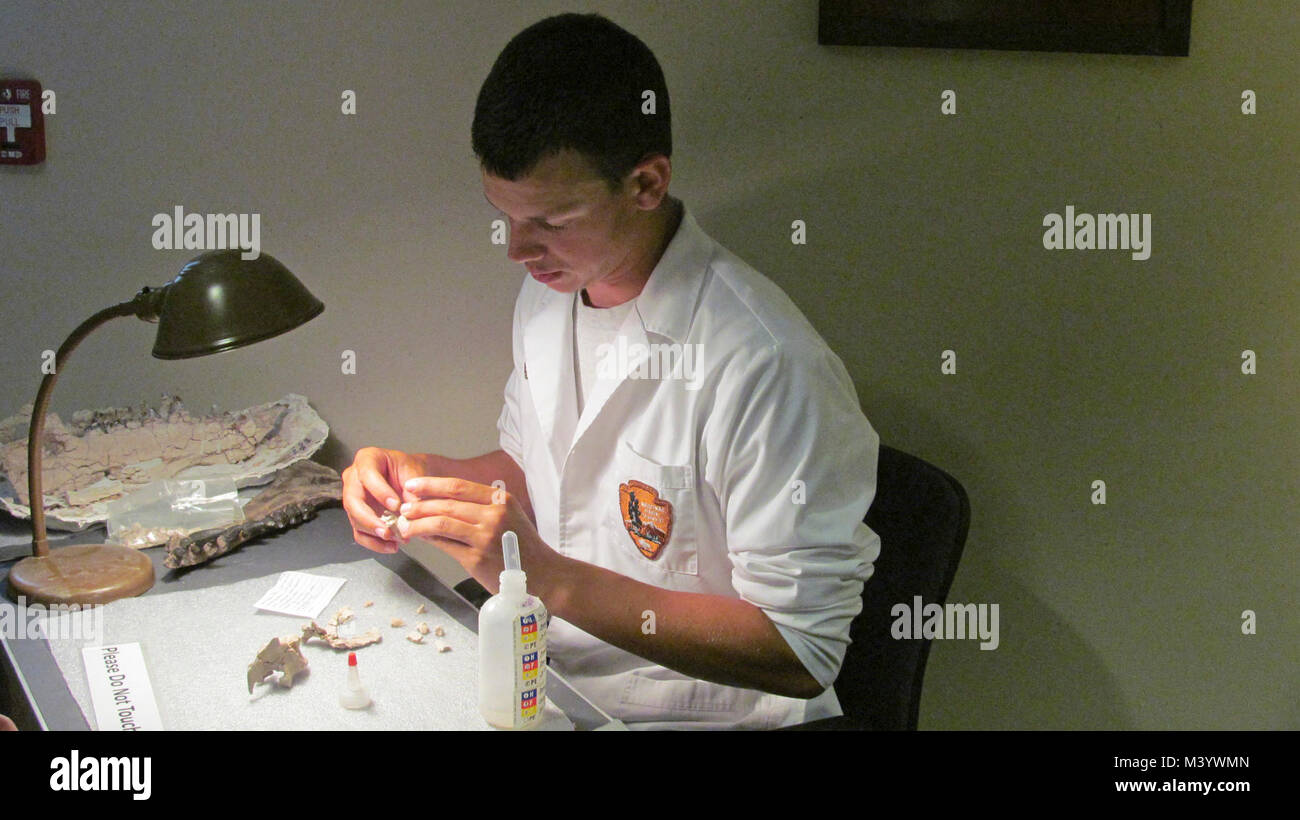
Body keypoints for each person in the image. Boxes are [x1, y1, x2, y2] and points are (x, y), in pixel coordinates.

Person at [342, 12, 880, 729]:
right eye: (505, 216)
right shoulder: (550, 292)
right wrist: (419, 476)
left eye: (552, 221)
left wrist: (554, 582)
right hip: (558, 676)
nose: (518, 250)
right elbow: (539, 470)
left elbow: (803, 650)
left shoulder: (765, 367)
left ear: (647, 184)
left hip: (700, 714)